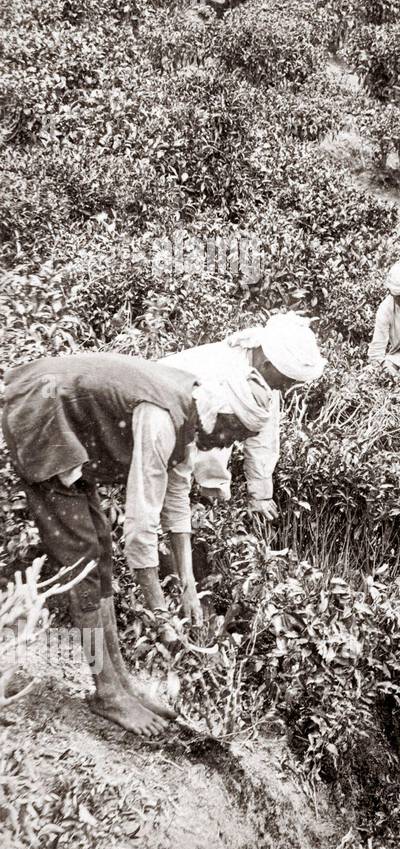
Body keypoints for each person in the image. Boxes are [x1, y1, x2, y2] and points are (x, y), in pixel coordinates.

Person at [1, 353, 272, 737]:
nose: (230, 444)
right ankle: (107, 690)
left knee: (101, 553)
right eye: (234, 433)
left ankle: (120, 683)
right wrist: (159, 614)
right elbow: (142, 525)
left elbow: (176, 504)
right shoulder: (162, 418)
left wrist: (188, 587)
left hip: (63, 420)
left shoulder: (192, 414)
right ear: (222, 415)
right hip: (42, 412)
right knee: (82, 560)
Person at [159, 312, 325, 519]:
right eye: (286, 381)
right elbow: (211, 444)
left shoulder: (265, 376)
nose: (285, 389)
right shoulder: (223, 372)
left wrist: (261, 495)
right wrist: (214, 498)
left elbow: (264, 434)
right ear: (267, 365)